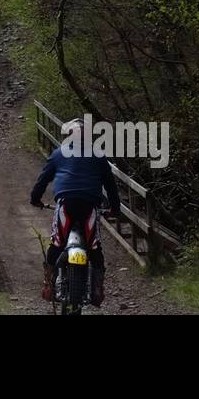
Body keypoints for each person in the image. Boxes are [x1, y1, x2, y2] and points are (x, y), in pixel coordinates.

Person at [29, 117, 120, 306]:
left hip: (66, 204)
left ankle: (48, 284)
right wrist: (115, 208)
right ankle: (97, 288)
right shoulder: (98, 155)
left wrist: (35, 199)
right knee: (94, 246)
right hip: (89, 205)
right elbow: (111, 186)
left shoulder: (58, 154)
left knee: (56, 243)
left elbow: (42, 180)